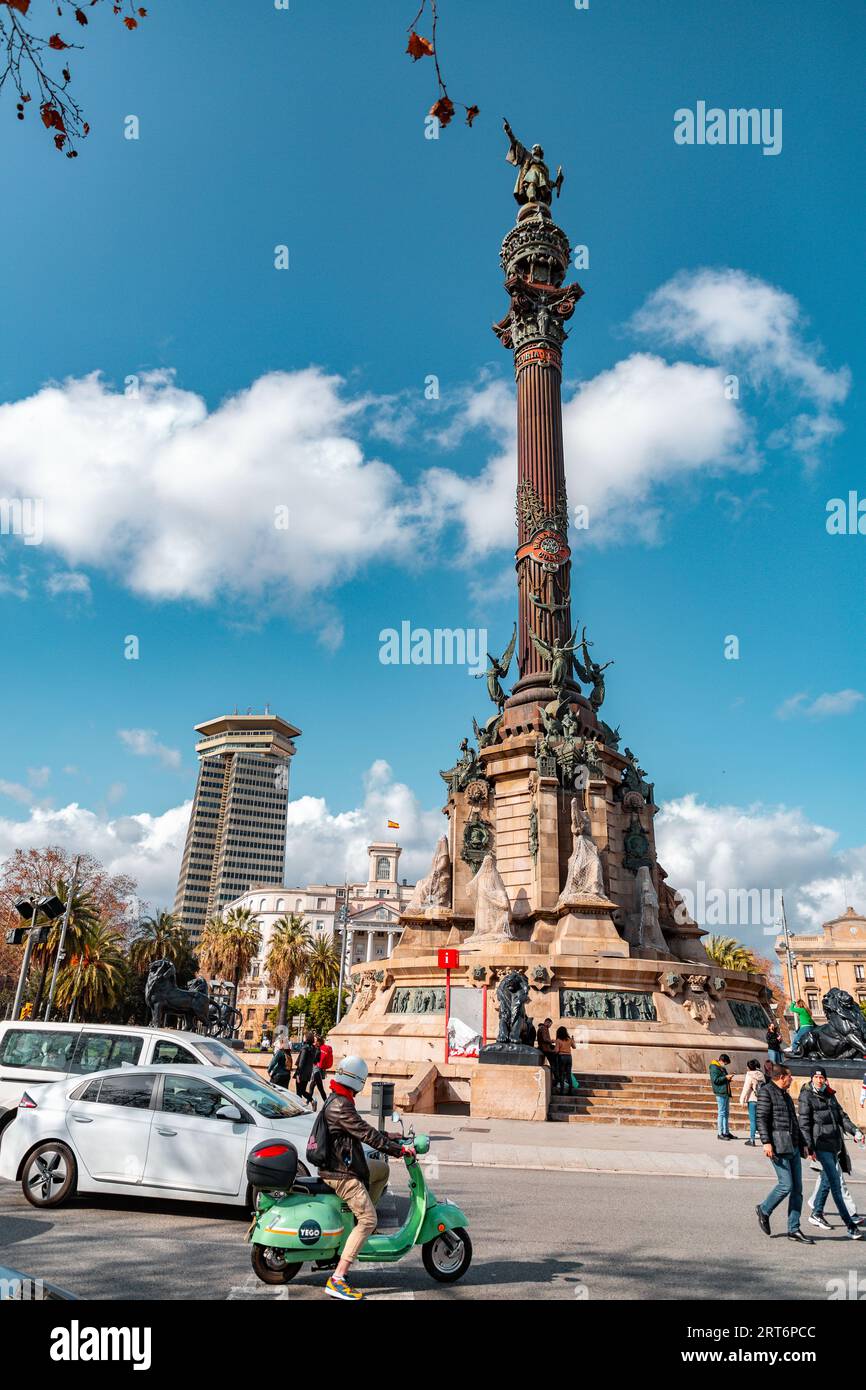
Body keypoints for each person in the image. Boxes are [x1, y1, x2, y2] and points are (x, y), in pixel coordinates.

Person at [318, 1055, 414, 1301]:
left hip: (343, 1164)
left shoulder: (340, 1099)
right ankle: (338, 1279)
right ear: (358, 1080)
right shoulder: (341, 1105)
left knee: (381, 1171)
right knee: (369, 1218)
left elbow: (361, 1128)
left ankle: (361, 1230)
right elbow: (364, 1133)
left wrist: (389, 1136)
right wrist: (398, 1150)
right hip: (340, 1172)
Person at [798, 1067, 864, 1239]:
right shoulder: (806, 1096)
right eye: (817, 1077)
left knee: (828, 1179)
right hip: (821, 1144)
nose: (819, 1080)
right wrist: (808, 1147)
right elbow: (804, 1123)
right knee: (835, 1183)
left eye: (822, 1077)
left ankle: (816, 1212)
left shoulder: (829, 1094)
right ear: (812, 1078)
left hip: (834, 1143)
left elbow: (841, 1116)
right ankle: (851, 1226)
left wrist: (855, 1131)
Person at [755, 1063, 814, 1243]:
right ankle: (764, 1209)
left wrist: (804, 1144)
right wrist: (766, 1142)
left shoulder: (785, 1095)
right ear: (781, 1077)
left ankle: (793, 1229)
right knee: (786, 1185)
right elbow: (761, 1118)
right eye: (790, 1076)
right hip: (778, 1145)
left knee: (798, 1190)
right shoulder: (766, 1091)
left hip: (794, 1146)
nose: (792, 1078)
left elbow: (794, 1122)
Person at [708, 1054, 734, 1140]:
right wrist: (725, 1077)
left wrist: (728, 1078)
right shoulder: (714, 1067)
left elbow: (723, 1078)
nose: (725, 1065)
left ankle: (726, 1132)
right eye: (725, 1063)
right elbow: (715, 1080)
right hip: (720, 1092)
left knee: (726, 1113)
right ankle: (720, 1133)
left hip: (725, 1092)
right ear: (722, 1061)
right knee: (721, 1113)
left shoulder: (721, 1067)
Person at [739, 1059, 763, 1146]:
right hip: (761, 1099)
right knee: (759, 1120)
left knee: (753, 1121)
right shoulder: (761, 1075)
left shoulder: (749, 1075)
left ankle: (752, 1139)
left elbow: (746, 1088)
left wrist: (741, 1100)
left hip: (752, 1099)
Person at [308, 1032, 333, 1109]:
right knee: (313, 1086)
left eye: (315, 1040)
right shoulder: (319, 1048)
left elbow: (315, 1060)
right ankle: (310, 1101)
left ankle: (311, 1102)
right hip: (319, 1070)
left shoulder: (318, 1050)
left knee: (318, 1087)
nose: (314, 1041)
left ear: (319, 1042)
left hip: (317, 1070)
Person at [295, 1029, 316, 1103]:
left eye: (304, 1037)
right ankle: (312, 1100)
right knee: (303, 1091)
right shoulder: (313, 1048)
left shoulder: (305, 1048)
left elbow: (301, 1062)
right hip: (307, 1073)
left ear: (307, 1038)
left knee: (298, 1092)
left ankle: (299, 1106)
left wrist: (298, 1073)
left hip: (301, 1073)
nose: (303, 1038)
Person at [553, 1026, 576, 1095]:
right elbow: (574, 1047)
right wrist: (573, 1040)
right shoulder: (569, 1039)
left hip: (562, 1057)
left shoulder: (558, 1040)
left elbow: (556, 1050)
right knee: (568, 1074)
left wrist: (553, 1050)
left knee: (562, 1074)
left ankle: (562, 1091)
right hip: (569, 1057)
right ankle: (570, 1091)